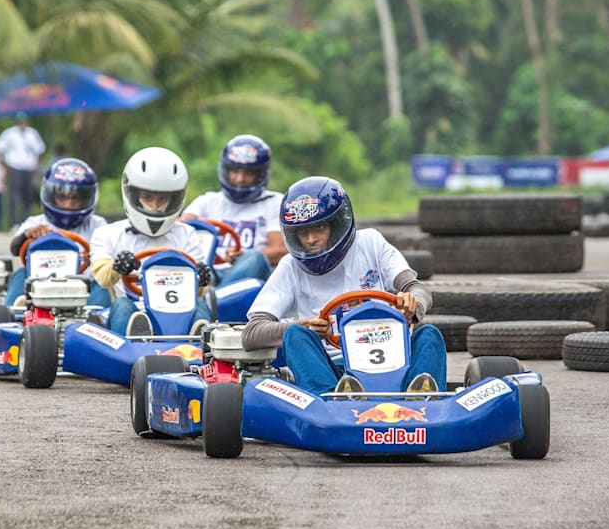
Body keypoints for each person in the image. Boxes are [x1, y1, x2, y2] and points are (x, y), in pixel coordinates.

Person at [240, 176, 445, 396]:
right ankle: (332, 401)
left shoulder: (370, 243)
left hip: (395, 365)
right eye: (302, 232)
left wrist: (413, 303)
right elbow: (252, 332)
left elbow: (416, 288)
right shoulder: (290, 267)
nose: (310, 239)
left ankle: (421, 398)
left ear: (337, 223)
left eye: (318, 228)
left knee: (429, 334)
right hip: (332, 369)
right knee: (296, 334)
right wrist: (304, 327)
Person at [89, 147, 212, 336]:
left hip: (178, 315)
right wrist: (117, 267)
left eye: (162, 199)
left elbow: (198, 293)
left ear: (175, 199)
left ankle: (200, 341)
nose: (154, 207)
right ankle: (136, 339)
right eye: (147, 198)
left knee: (201, 304)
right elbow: (102, 278)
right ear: (133, 194)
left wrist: (202, 280)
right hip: (132, 311)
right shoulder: (107, 234)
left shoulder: (187, 234)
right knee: (121, 305)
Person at [180, 134, 287, 286]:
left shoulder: (274, 203)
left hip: (250, 278)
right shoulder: (207, 201)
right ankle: (214, 295)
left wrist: (244, 257)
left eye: (248, 173)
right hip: (210, 273)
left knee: (255, 257)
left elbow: (280, 250)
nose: (239, 179)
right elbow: (180, 228)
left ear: (261, 174)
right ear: (225, 169)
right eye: (235, 171)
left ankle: (213, 300)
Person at [4, 157, 109, 306]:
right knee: (21, 273)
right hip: (39, 290)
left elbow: (108, 253)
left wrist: (94, 258)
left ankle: (96, 317)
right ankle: (15, 313)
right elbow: (15, 249)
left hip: (82, 292)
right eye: (62, 197)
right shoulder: (36, 223)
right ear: (51, 196)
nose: (68, 204)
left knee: (102, 283)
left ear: (87, 198)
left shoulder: (97, 225)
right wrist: (28, 235)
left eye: (76, 198)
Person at [0, 113, 46, 227]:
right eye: (20, 121)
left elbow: (40, 149)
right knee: (13, 197)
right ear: (16, 122)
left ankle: (27, 222)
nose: (22, 124)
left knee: (28, 197)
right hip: (14, 168)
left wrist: (36, 165)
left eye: (24, 121)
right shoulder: (9, 133)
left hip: (28, 168)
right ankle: (13, 223)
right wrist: (4, 165)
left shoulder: (32, 133)